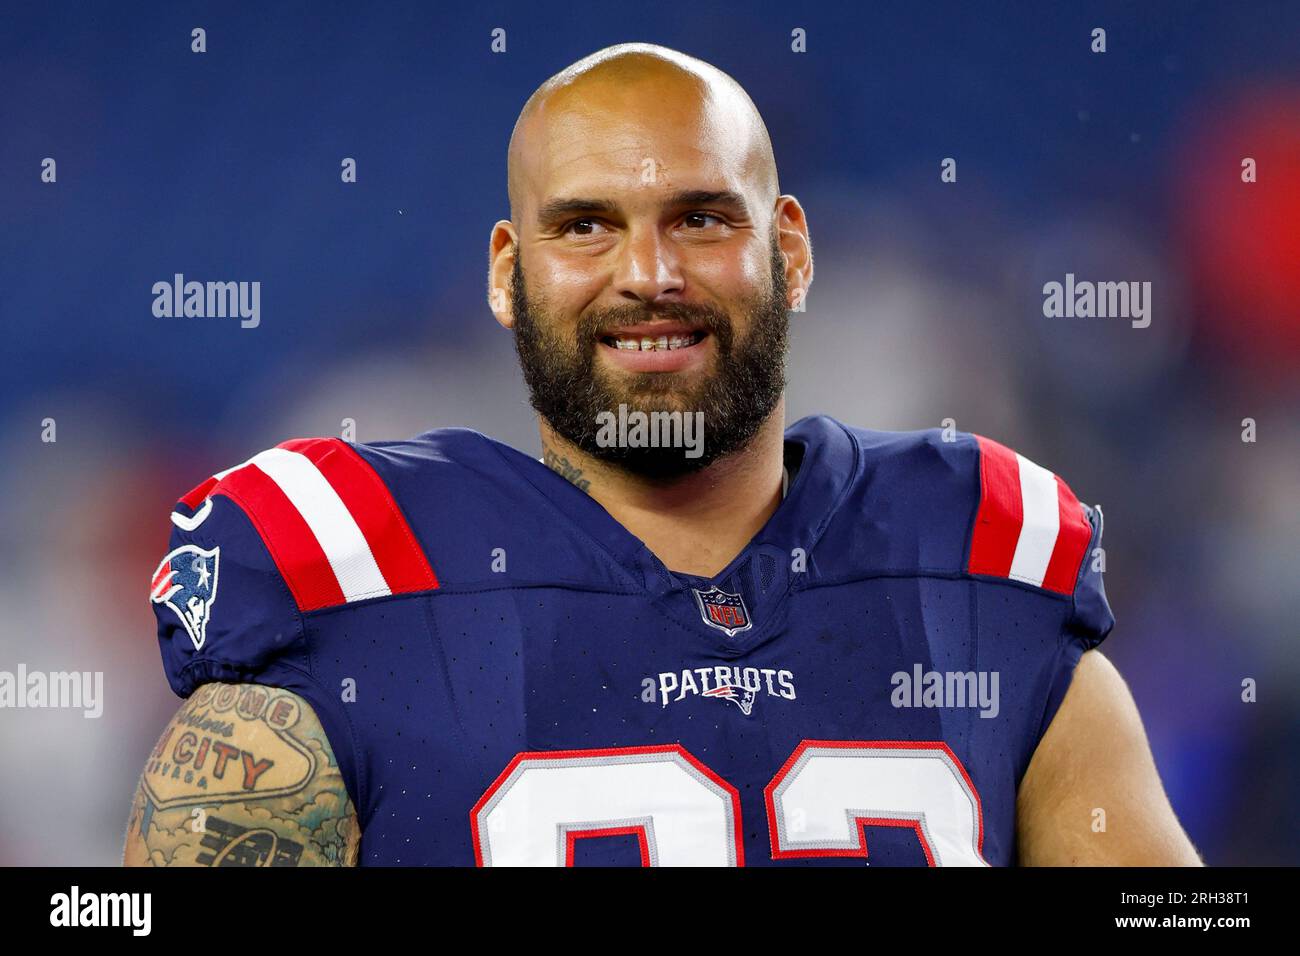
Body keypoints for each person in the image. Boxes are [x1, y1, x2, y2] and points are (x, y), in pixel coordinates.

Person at [125, 43, 1201, 866]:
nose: (648, 272)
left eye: (698, 218)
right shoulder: (345, 583)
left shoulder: (979, 565)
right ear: (508, 272)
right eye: (585, 225)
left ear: (787, 249)